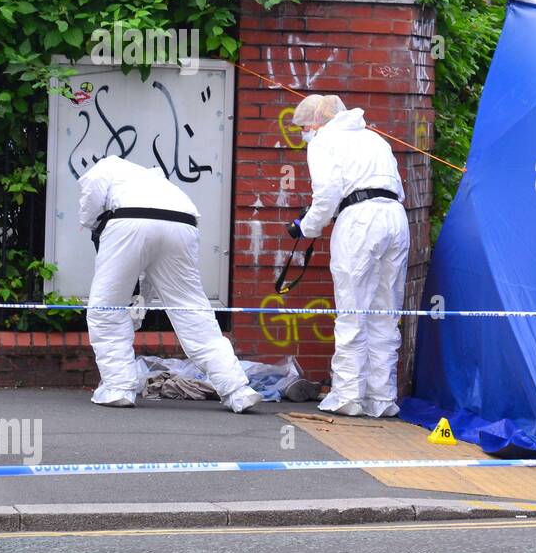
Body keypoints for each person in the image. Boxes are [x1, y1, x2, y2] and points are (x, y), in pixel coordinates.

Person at [79, 155, 261, 412]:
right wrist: (137, 312)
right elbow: (146, 279)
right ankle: (237, 390)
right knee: (192, 311)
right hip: (182, 224)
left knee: (105, 310)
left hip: (130, 221)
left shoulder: (109, 165)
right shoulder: (155, 180)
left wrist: (90, 222)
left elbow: (93, 188)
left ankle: (118, 388)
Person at [288, 94, 410, 417]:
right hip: (396, 218)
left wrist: (307, 227)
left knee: (352, 309)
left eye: (304, 127)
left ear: (317, 122)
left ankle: (347, 396)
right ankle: (382, 399)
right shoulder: (374, 139)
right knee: (386, 313)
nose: (303, 134)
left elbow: (326, 195)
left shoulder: (324, 142)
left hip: (359, 220)